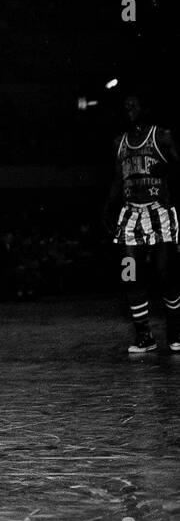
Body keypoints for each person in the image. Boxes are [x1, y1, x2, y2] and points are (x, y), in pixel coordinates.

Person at [103, 94, 180, 354]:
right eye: (125, 106)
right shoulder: (119, 143)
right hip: (130, 214)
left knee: (165, 274)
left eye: (134, 104)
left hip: (159, 212)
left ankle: (175, 331)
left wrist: (167, 171)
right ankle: (144, 336)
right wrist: (106, 209)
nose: (129, 109)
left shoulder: (162, 136)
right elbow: (116, 179)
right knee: (130, 276)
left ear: (144, 108)